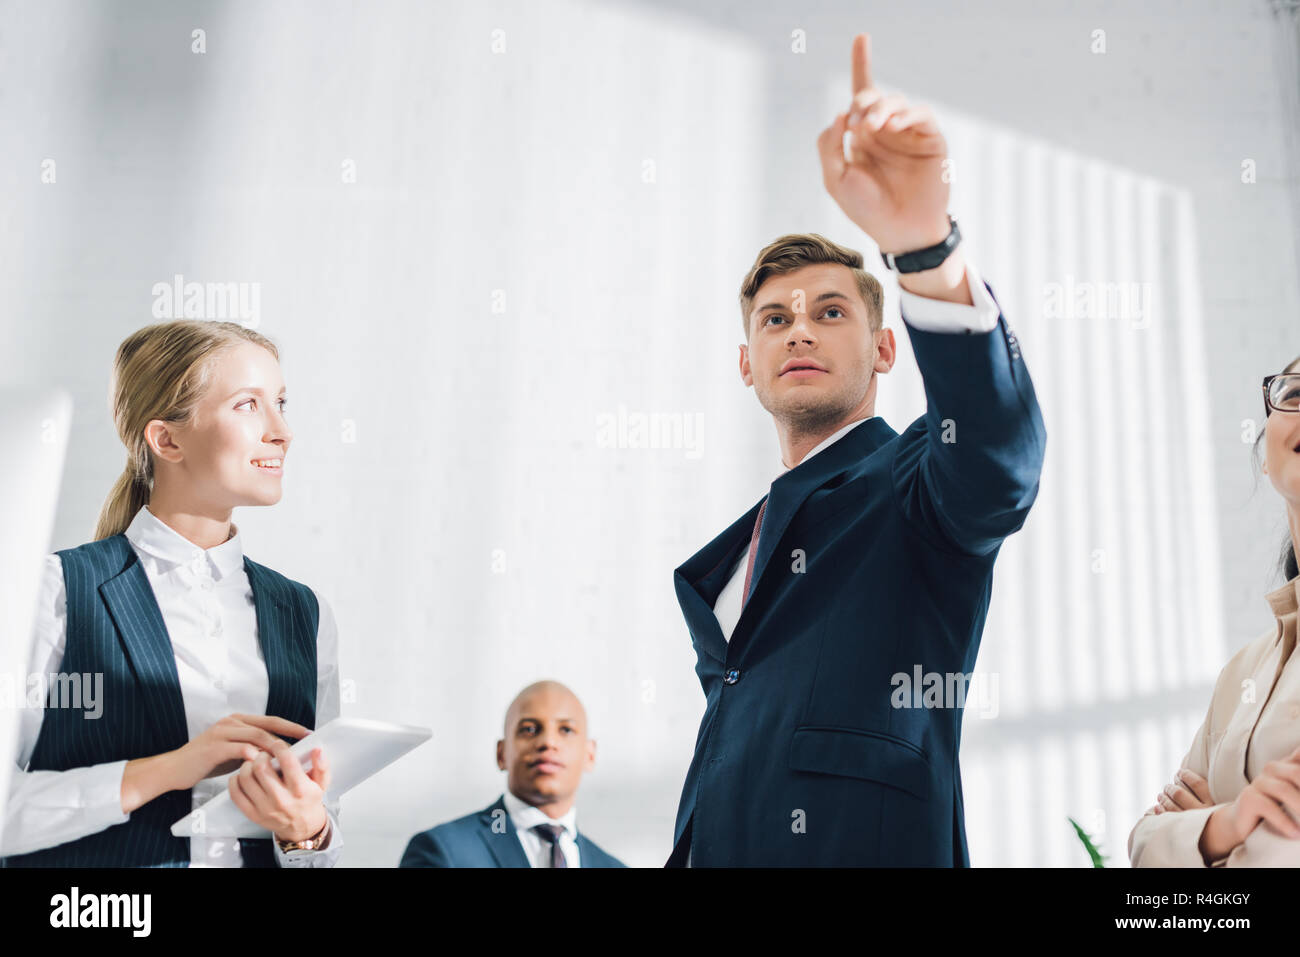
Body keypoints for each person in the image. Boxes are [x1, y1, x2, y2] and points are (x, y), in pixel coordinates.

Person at [666, 33, 1046, 867]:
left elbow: (997, 460)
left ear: (883, 348)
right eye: (776, 318)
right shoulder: (732, 561)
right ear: (746, 364)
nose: (800, 326)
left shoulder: (917, 484)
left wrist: (924, 249)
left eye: (831, 311)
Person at [0, 320, 342, 867]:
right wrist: (169, 769)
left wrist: (309, 830)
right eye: (248, 405)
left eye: (280, 402)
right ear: (167, 438)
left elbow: (315, 843)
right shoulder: (54, 591)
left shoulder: (305, 612)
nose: (282, 430)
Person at [1128, 355, 1300, 867]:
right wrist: (1227, 823)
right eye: (1293, 395)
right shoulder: (1241, 673)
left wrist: (1202, 843)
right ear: (1264, 457)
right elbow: (1143, 845)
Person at [400, 680, 624, 867]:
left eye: (566, 729)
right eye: (529, 729)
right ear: (501, 753)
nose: (548, 742)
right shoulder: (443, 850)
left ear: (590, 755)